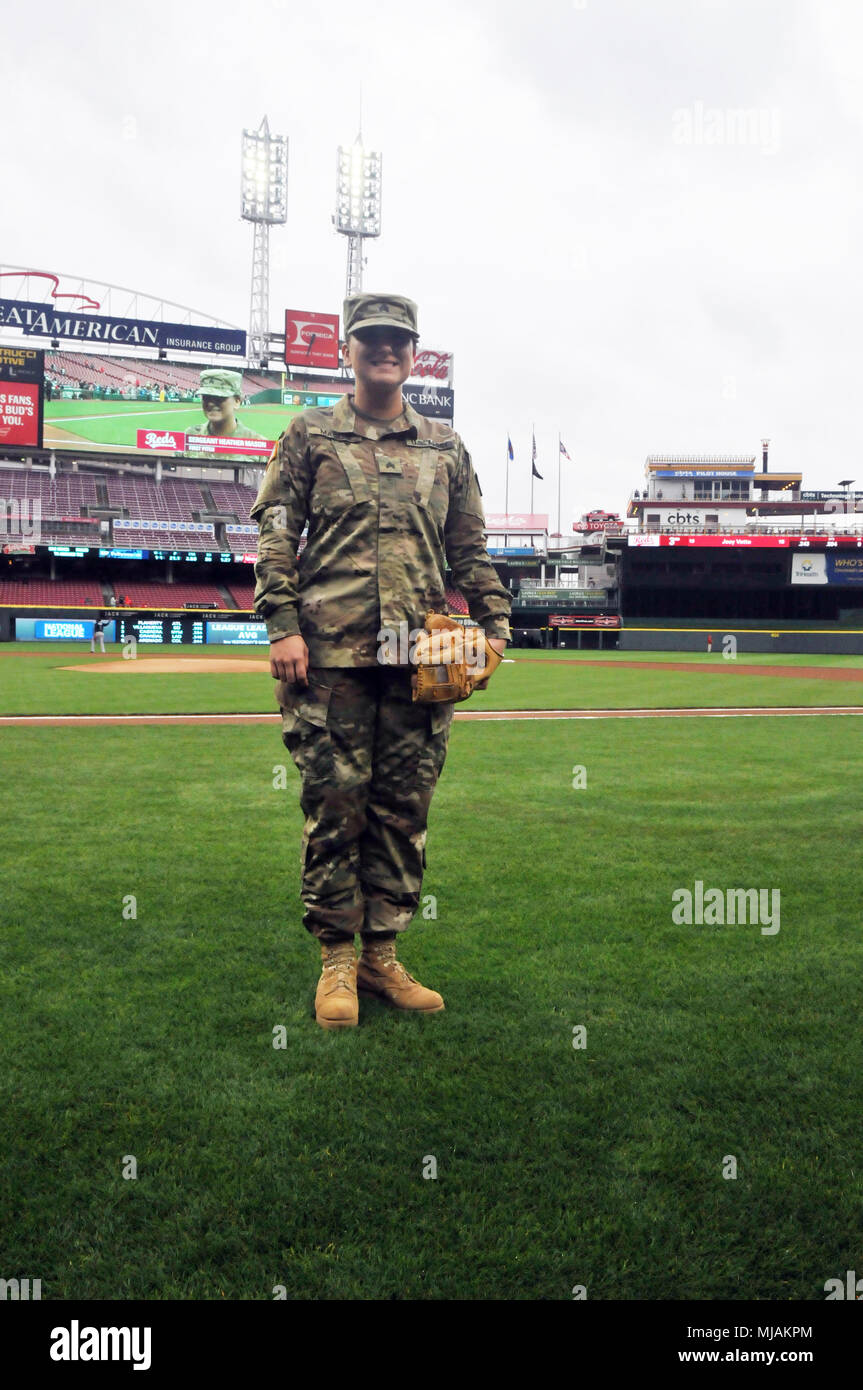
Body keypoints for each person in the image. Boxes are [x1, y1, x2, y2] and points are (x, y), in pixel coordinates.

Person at [252, 292, 512, 1030]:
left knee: (402, 811)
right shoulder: (307, 434)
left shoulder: (443, 445)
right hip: (328, 653)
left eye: (397, 340)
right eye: (371, 339)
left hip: (416, 656)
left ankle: (382, 954)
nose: (384, 350)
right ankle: (336, 958)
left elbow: (469, 548)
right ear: (349, 349)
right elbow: (276, 534)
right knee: (334, 808)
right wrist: (281, 626)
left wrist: (495, 627)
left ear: (414, 350)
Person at [187, 369, 264, 452]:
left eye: (219, 398)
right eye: (206, 397)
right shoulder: (191, 435)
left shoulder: (257, 443)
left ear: (237, 401)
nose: (210, 404)